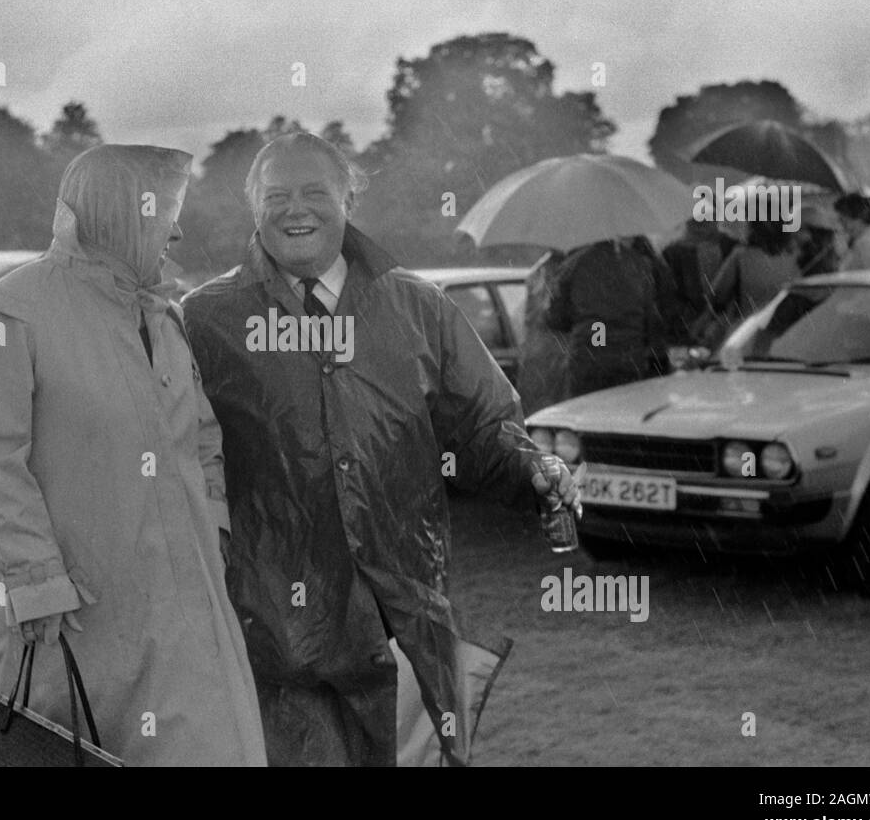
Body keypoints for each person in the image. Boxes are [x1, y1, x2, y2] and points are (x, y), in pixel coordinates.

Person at [181, 132, 578, 766]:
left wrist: (533, 470)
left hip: (405, 620)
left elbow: (484, 427)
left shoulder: (419, 307)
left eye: (315, 192)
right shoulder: (205, 318)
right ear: (253, 208)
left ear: (348, 198)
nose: (296, 209)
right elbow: (151, 439)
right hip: (274, 633)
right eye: (276, 195)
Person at [0, 144, 267, 767]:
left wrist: (216, 531)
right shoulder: (10, 314)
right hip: (76, 619)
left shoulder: (163, 316)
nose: (176, 230)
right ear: (116, 214)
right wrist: (34, 577)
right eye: (163, 213)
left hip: (187, 615)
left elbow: (201, 439)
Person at [546, 237, 670, 397]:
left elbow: (555, 318)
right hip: (627, 357)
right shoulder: (639, 264)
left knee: (585, 414)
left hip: (588, 357)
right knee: (623, 414)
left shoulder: (573, 265)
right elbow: (651, 318)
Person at [705, 218, 801, 346]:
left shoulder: (741, 255)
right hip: (789, 332)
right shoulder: (794, 256)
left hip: (747, 332)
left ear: (754, 227)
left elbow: (716, 293)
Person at [518, 250, 570, 414]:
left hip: (534, 356)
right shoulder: (568, 272)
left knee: (536, 416)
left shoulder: (536, 273)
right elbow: (597, 324)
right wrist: (599, 343)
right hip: (559, 357)